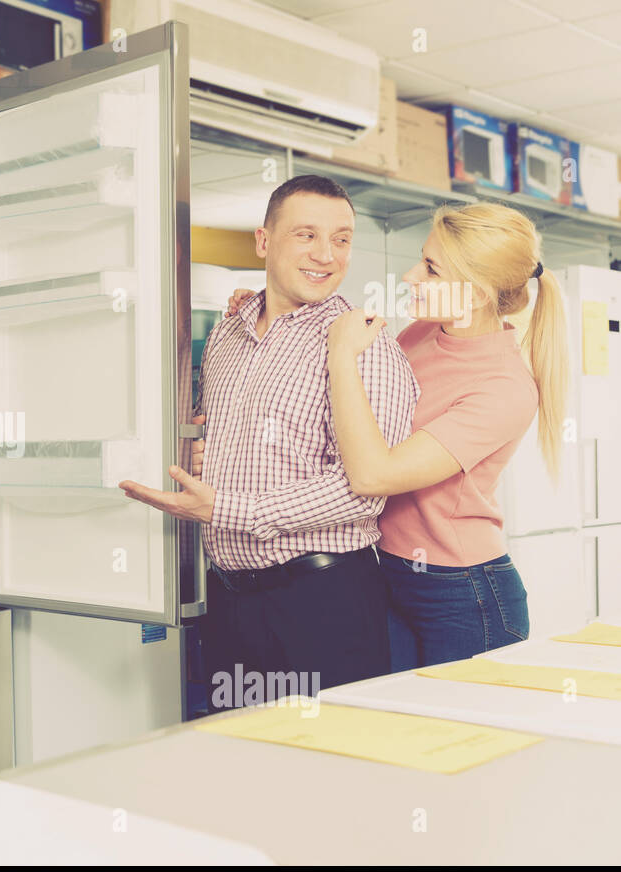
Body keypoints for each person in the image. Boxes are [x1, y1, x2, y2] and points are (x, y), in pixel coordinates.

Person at [220, 202, 567, 670]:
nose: (410, 276)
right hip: (388, 570)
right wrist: (266, 308)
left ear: (477, 293)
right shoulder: (423, 333)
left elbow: (372, 474)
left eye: (431, 269)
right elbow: (349, 413)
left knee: (459, 736)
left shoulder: (504, 388)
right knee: (400, 728)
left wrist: (341, 356)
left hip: (462, 593)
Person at [119, 175, 419, 708]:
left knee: (333, 769)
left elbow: (364, 490)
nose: (326, 255)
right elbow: (229, 437)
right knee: (243, 765)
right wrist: (198, 452)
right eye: (306, 235)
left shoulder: (364, 344)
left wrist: (225, 507)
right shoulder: (226, 333)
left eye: (342, 239)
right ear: (264, 241)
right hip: (231, 601)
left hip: (324, 601)